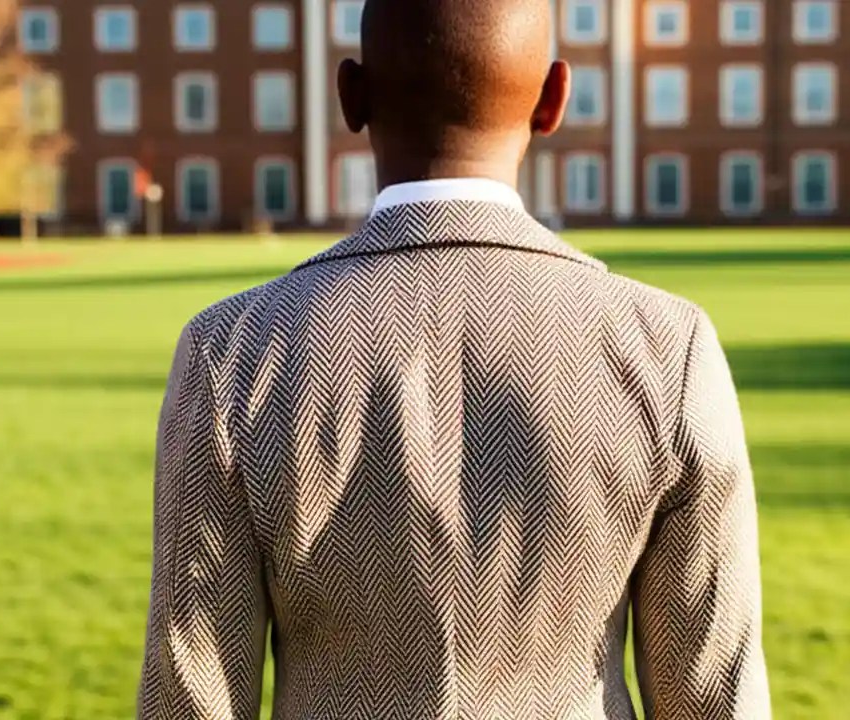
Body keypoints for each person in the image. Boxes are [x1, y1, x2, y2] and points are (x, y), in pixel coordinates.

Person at [135, 0, 770, 716]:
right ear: (553, 98)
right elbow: (715, 696)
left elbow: (189, 696)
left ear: (351, 96)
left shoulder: (231, 350)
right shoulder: (668, 347)